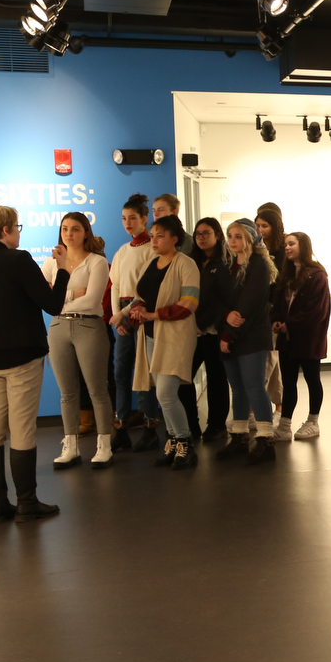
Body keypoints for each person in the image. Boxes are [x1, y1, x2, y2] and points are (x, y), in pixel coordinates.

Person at [0, 204, 70, 523]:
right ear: (6, 230)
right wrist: (63, 269)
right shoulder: (19, 260)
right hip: (22, 357)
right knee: (21, 430)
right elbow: (53, 305)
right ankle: (27, 502)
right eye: (17, 226)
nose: (19, 232)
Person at [128, 214, 202, 469]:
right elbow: (140, 294)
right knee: (162, 395)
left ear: (175, 239)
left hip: (176, 336)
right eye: (153, 235)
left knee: (166, 393)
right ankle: (172, 440)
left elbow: (189, 303)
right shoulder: (152, 262)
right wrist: (138, 308)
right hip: (151, 336)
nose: (155, 240)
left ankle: (185, 442)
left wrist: (154, 314)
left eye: (160, 235)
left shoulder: (186, 264)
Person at [42, 212, 114, 470]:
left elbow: (93, 299)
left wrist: (60, 297)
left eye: (75, 229)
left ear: (86, 232)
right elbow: (44, 297)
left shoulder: (96, 261)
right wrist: (73, 294)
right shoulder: (51, 263)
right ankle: (70, 446)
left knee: (97, 389)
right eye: (64, 229)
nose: (69, 234)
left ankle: (104, 445)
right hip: (59, 328)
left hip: (89, 326)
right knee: (67, 393)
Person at [216, 219, 278, 464]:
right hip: (230, 334)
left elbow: (248, 305)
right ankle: (239, 437)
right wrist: (224, 319)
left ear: (250, 238)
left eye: (238, 236)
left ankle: (265, 441)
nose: (232, 241)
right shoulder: (229, 265)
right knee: (238, 388)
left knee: (254, 386)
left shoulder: (259, 265)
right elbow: (221, 300)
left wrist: (228, 334)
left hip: (251, 335)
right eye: (230, 236)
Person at [109, 194, 159, 452]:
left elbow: (147, 289)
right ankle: (121, 426)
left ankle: (150, 427)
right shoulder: (121, 251)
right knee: (120, 372)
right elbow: (115, 286)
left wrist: (123, 313)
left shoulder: (152, 249)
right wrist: (117, 316)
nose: (127, 223)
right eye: (124, 219)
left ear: (144, 219)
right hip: (125, 319)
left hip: (142, 315)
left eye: (132, 218)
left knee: (143, 374)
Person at [270, 231, 331, 441]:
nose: (287, 248)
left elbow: (317, 311)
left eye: (291, 244)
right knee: (288, 382)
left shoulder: (317, 275)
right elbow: (278, 304)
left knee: (312, 379)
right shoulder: (286, 274)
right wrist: (277, 321)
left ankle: (313, 422)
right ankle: (285, 425)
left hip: (308, 340)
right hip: (287, 340)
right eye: (286, 244)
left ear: (302, 246)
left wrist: (290, 325)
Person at [180, 217, 230, 443]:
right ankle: (191, 424)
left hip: (213, 329)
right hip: (191, 329)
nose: (201, 237)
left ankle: (217, 424)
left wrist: (205, 320)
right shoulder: (190, 261)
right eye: (198, 233)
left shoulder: (225, 262)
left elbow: (223, 298)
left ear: (217, 235)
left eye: (206, 233)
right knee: (183, 378)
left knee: (216, 378)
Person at [255, 202, 289, 421]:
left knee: (269, 361)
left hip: (274, 311)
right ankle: (277, 408)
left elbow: (282, 284)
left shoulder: (282, 250)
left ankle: (266, 410)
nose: (260, 230)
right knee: (272, 362)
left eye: (265, 225)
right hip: (261, 310)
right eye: (257, 225)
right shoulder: (258, 249)